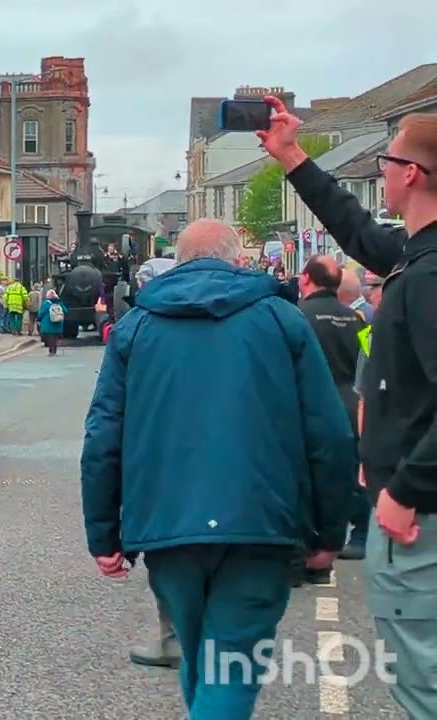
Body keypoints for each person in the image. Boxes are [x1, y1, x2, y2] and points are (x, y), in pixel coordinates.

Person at [81, 219, 355, 718]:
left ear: (179, 262)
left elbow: (103, 437)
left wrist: (104, 535)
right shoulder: (281, 319)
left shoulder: (136, 326)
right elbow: (330, 434)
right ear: (238, 261)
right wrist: (330, 531)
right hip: (262, 523)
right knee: (229, 666)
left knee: (202, 657)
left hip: (167, 526)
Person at [259, 98, 437, 718]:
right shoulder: (418, 256)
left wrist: (405, 489)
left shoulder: (430, 274)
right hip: (414, 502)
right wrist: (290, 156)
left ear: (410, 173)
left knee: (423, 679)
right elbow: (356, 229)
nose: (381, 174)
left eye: (387, 163)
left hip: (421, 515)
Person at [296, 256, 368, 569]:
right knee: (355, 471)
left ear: (305, 279)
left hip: (316, 403)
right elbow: (371, 358)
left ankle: (310, 540)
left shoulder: (298, 317)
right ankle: (362, 534)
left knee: (311, 472)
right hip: (354, 400)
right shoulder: (356, 318)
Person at [36, 289, 66, 356]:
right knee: (55, 338)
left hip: (48, 324)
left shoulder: (46, 303)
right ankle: (54, 350)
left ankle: (51, 351)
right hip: (58, 324)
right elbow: (65, 311)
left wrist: (39, 319)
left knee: (50, 338)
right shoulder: (59, 303)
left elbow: (41, 313)